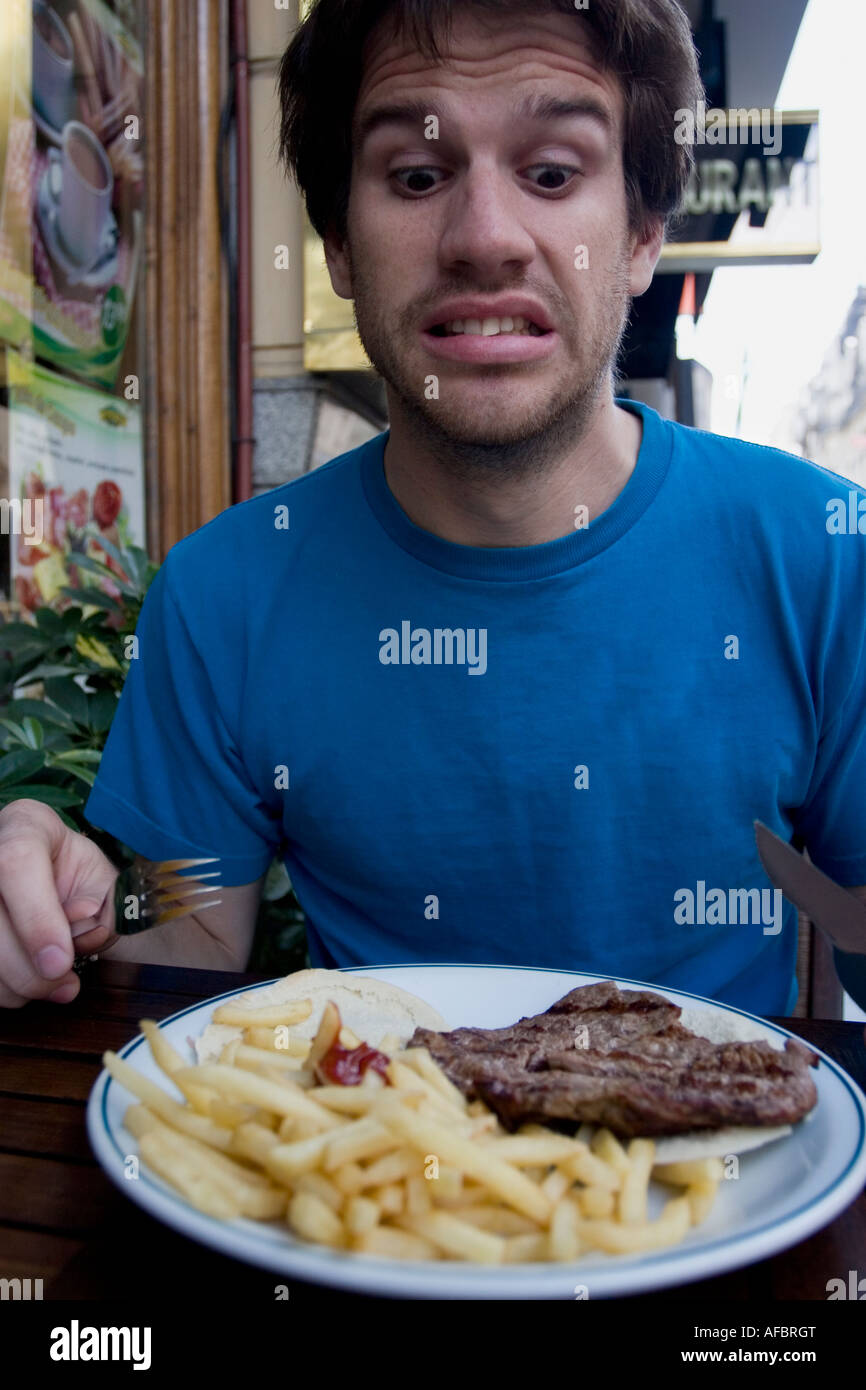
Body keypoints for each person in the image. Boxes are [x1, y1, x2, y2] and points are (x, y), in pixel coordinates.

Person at [2, 0, 865, 1017]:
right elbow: (188, 918)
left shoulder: (819, 556)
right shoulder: (225, 592)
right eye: (416, 176)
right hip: (377, 1163)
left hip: (729, 1166)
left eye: (550, 172)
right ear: (336, 243)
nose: (484, 238)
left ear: (639, 235)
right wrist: (84, 900)